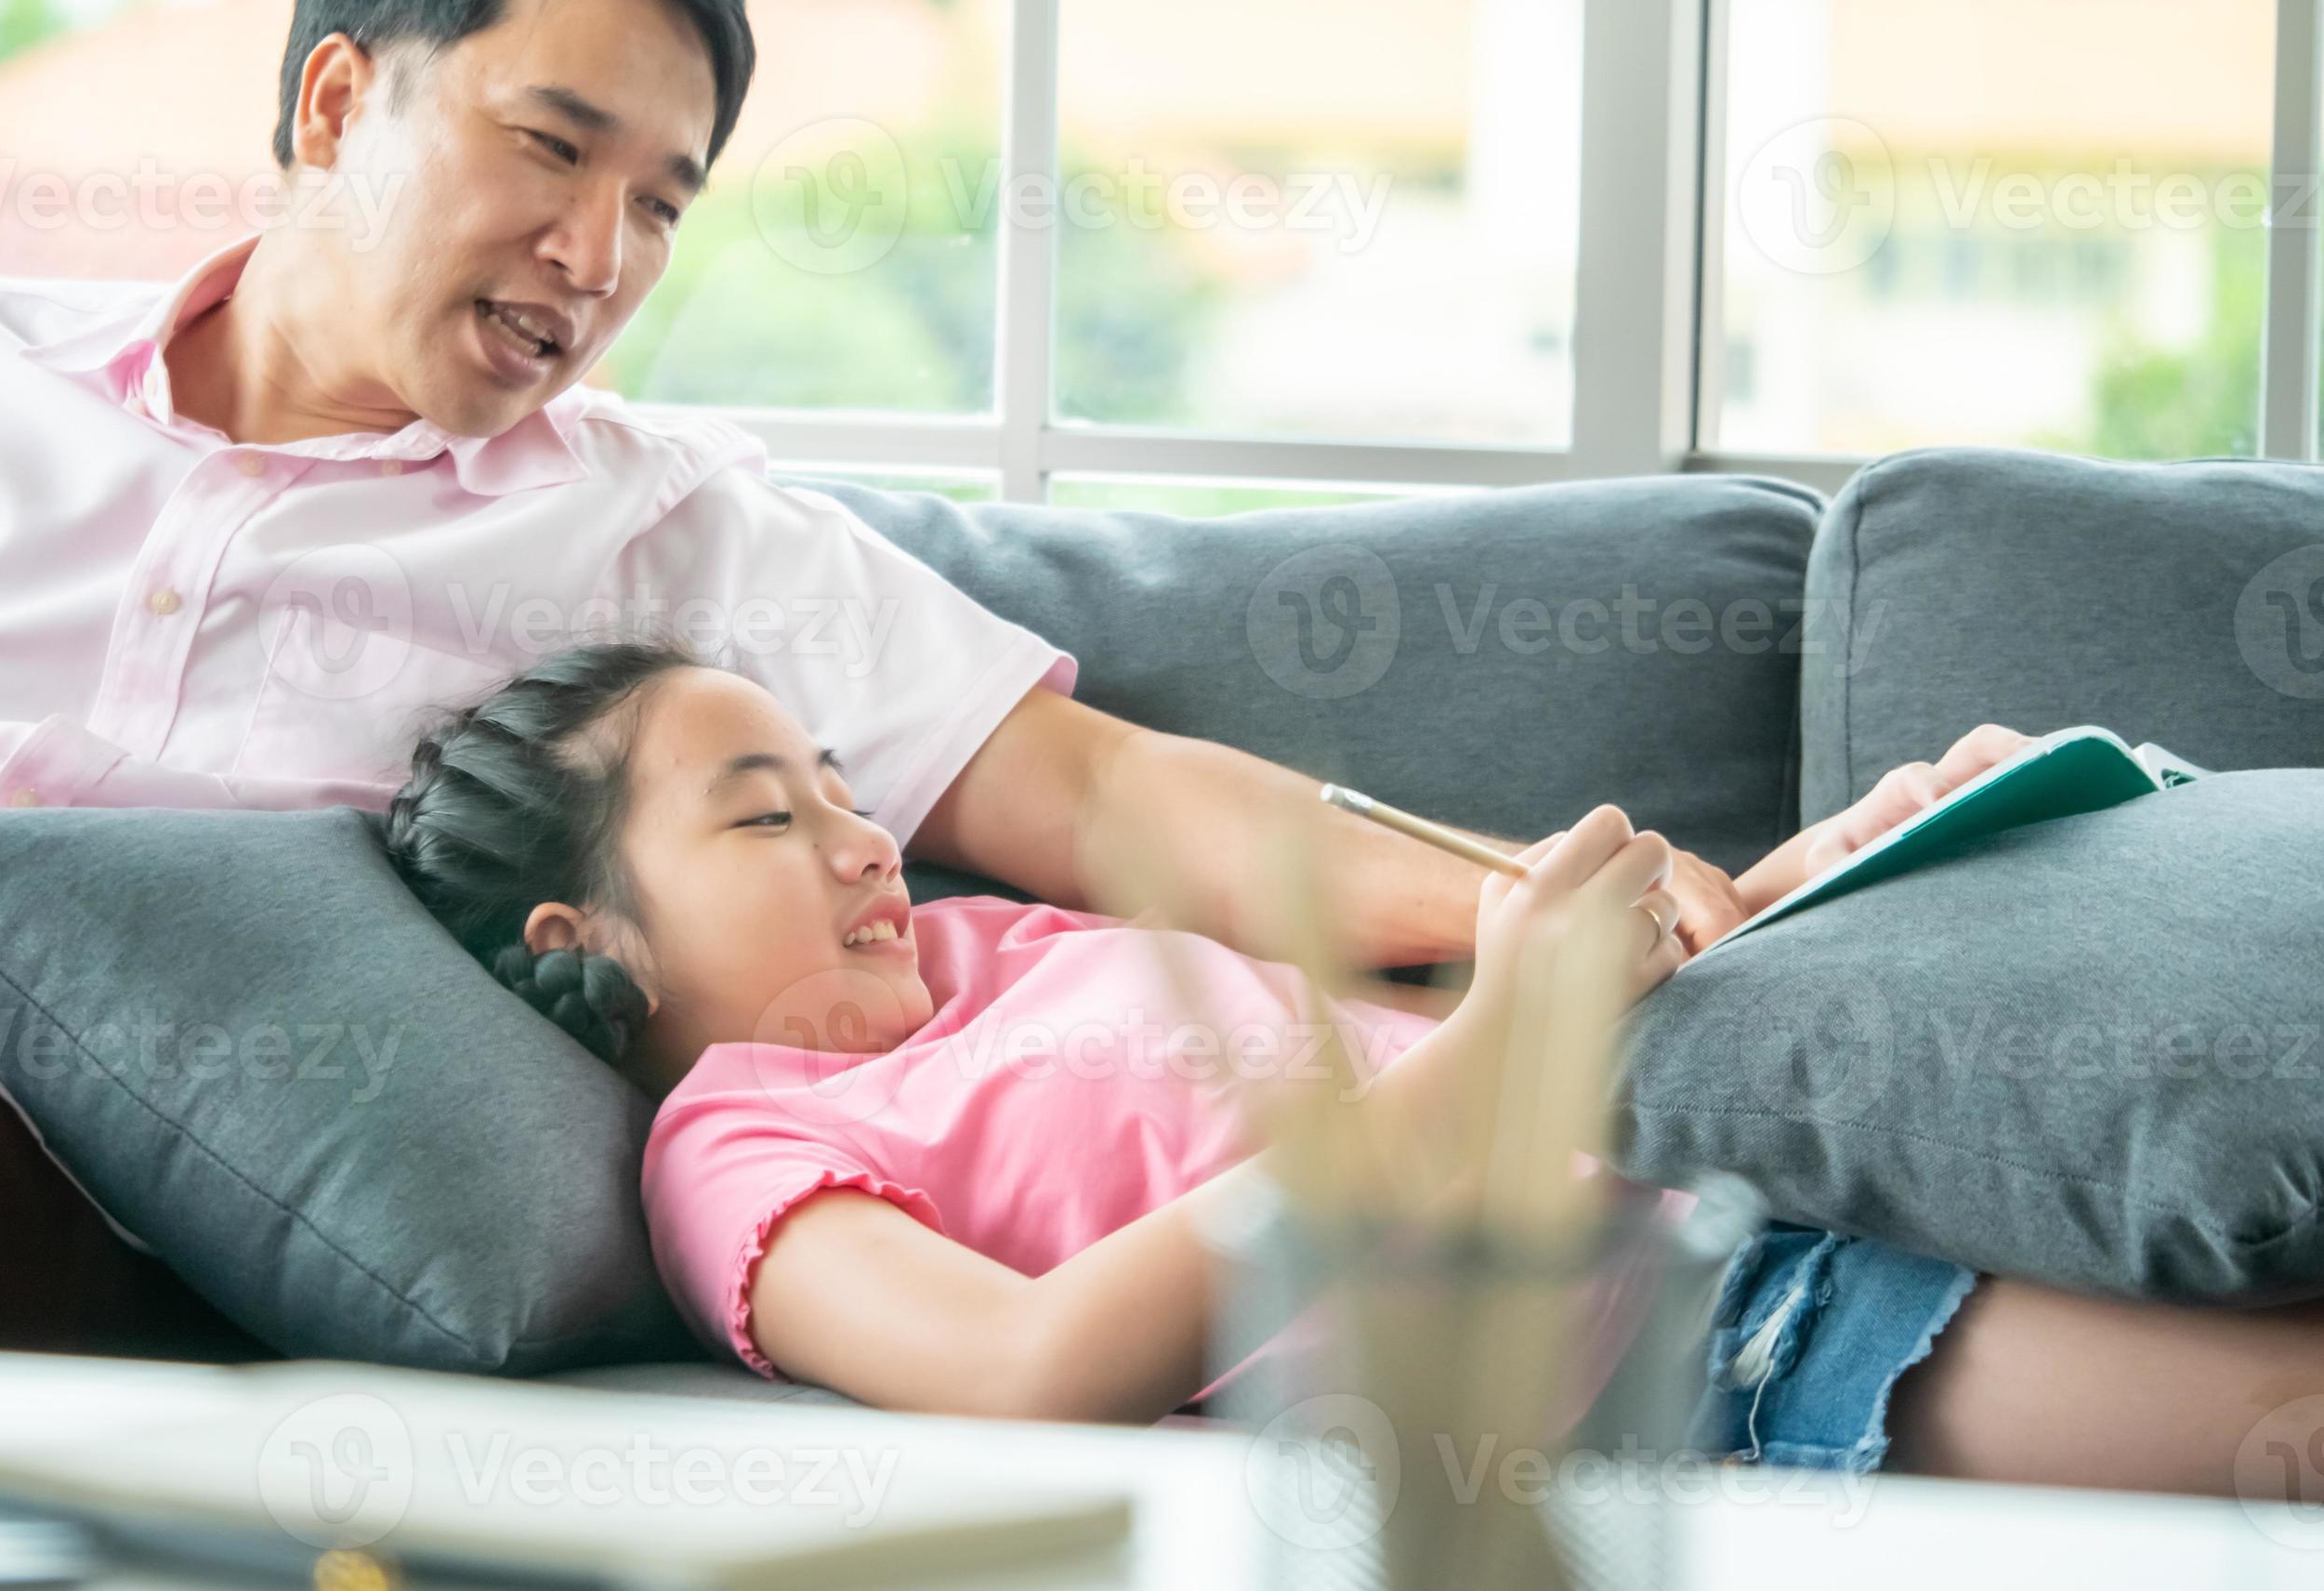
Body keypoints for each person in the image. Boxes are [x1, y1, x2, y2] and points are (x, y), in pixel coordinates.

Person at [0, 0, 1753, 1351]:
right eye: (552, 150)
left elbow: (1100, 799)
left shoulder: (652, 523)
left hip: (59, 1130)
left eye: (662, 202)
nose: (602, 256)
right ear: (340, 98)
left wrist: (1540, 893)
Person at [387, 640, 2324, 1497]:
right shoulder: (744, 1141)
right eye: (762, 820)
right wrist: (1495, 1051)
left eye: (837, 782)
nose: (862, 836)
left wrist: (1820, 889)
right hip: (1726, 1321)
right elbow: (1020, 1371)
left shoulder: (999, 944)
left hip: (1762, 1123)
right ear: (592, 941)